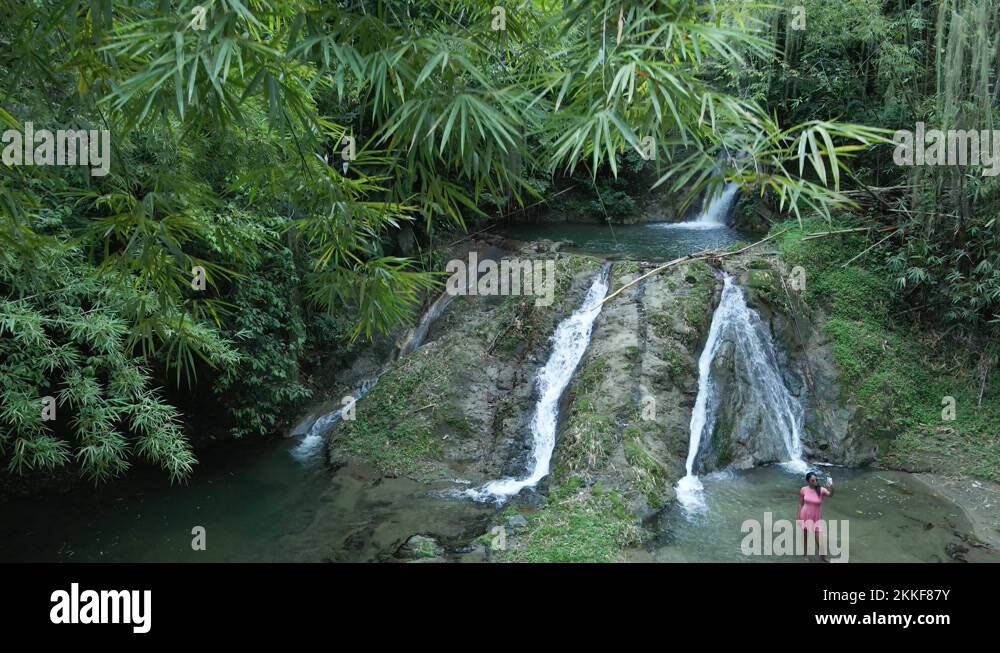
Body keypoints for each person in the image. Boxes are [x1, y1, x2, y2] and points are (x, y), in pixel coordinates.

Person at [798, 471, 834, 561]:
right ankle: (805, 555)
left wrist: (832, 488)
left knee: (819, 540)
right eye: (812, 480)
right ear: (808, 481)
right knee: (805, 537)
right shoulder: (803, 489)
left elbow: (831, 495)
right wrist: (799, 517)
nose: (815, 482)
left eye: (816, 480)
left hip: (817, 517)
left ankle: (823, 557)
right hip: (805, 515)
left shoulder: (821, 490)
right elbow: (800, 504)